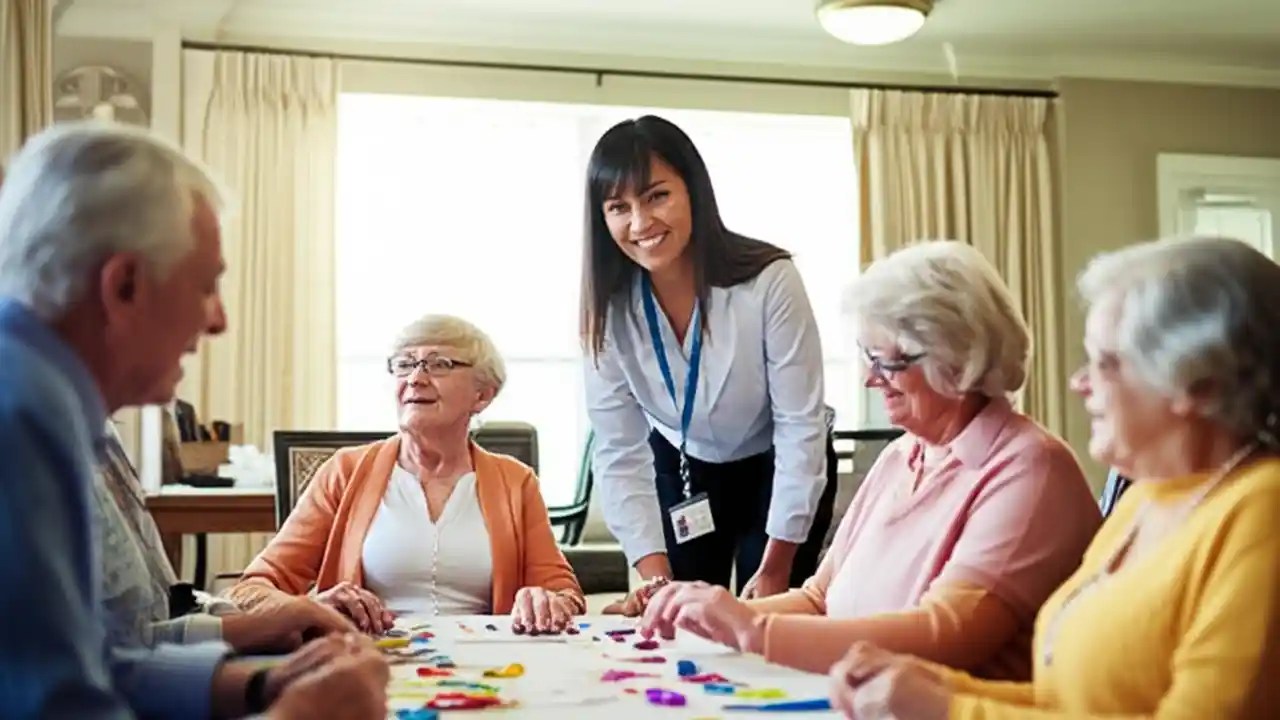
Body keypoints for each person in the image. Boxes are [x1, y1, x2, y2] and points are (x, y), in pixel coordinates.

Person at [0, 121, 387, 719]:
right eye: (207, 286)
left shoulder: (57, 403)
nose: (219, 321)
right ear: (124, 285)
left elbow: (97, 661)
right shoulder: (20, 418)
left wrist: (262, 688)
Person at [828, 236, 1280, 719]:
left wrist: (950, 708)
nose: (1079, 382)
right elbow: (1067, 700)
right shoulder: (1148, 497)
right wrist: (926, 682)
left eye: (1106, 363)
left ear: (1197, 383)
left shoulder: (1262, 511)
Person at [639, 241, 1101, 679]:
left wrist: (753, 630)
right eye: (867, 356)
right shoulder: (903, 456)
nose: (869, 380)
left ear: (962, 360)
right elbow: (821, 599)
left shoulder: (1030, 469)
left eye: (888, 362)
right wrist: (706, 613)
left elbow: (950, 633)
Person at [581, 114, 837, 605]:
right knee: (681, 613)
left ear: (693, 190)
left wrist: (776, 565)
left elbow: (799, 425)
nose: (640, 223)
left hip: (778, 462)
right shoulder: (608, 310)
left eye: (657, 196)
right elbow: (618, 450)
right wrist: (653, 580)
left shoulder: (769, 280)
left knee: (770, 618)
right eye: (618, 207)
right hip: (684, 468)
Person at [225, 314, 585, 634]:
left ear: (482, 395)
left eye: (439, 364)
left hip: (490, 666)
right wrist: (308, 609)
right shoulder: (345, 471)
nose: (416, 378)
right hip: (369, 663)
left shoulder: (515, 481)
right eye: (404, 364)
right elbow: (253, 588)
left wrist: (545, 600)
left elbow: (562, 591)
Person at [95, 417, 359, 652]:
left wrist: (270, 622)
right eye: (400, 364)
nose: (188, 358)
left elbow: (152, 620)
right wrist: (282, 619)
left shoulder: (102, 437)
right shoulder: (346, 470)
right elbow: (122, 647)